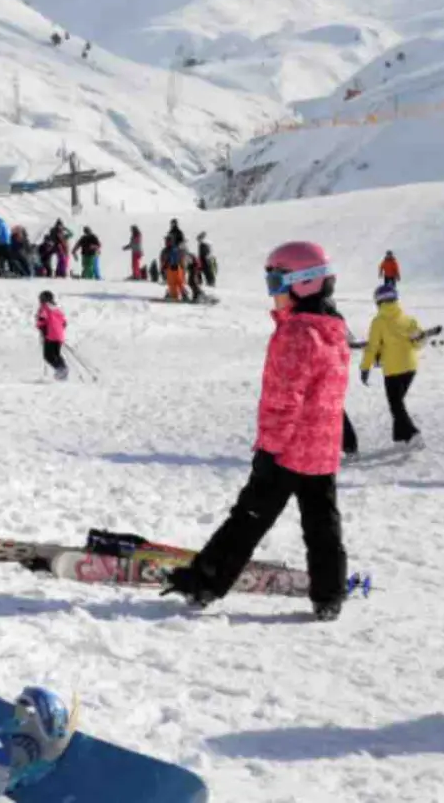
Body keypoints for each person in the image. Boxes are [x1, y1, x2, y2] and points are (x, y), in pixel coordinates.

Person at [163, 242, 350, 621]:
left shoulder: (298, 333)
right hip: (322, 450)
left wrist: (270, 450)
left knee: (248, 519)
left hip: (288, 450)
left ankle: (204, 583)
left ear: (306, 283)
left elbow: (284, 400)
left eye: (277, 282)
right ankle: (329, 596)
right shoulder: (333, 329)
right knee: (322, 524)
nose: (273, 292)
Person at [359, 284, 426, 447]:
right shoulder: (408, 319)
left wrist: (365, 368)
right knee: (398, 402)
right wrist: (417, 339)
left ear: (378, 302)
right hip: (410, 367)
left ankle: (412, 433)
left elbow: (372, 347)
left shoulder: (379, 322)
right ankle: (399, 437)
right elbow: (419, 343)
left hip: (393, 369)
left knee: (396, 405)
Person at [35, 291, 68, 381]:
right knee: (56, 354)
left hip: (49, 334)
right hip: (59, 335)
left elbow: (42, 319)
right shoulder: (57, 308)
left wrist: (40, 327)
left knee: (48, 355)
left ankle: (61, 370)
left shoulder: (44, 307)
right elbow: (64, 323)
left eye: (41, 299)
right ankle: (63, 369)